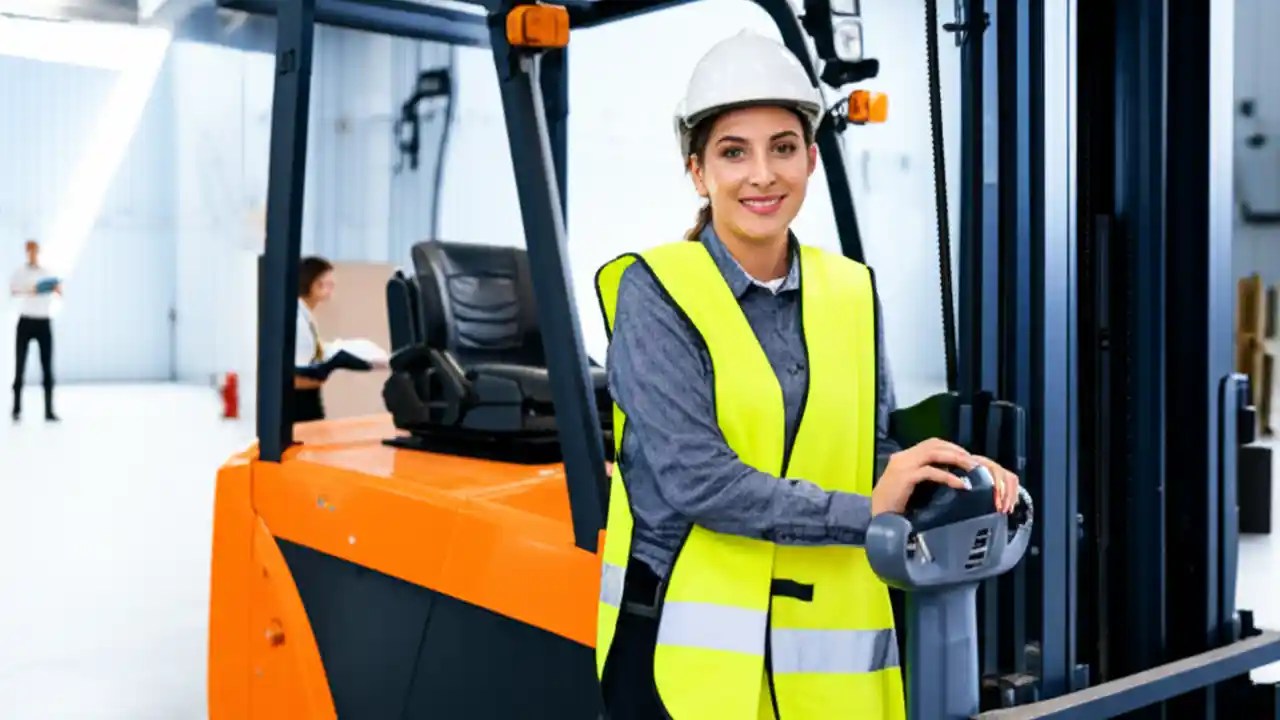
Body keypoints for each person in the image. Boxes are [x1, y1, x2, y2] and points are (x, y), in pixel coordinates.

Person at [592, 31, 1020, 720]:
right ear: (698, 172)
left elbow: (864, 447)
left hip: (814, 652)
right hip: (685, 655)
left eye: (783, 147)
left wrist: (949, 478)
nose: (762, 174)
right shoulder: (658, 291)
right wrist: (869, 513)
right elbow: (702, 481)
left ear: (812, 160)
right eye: (734, 152)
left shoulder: (850, 289)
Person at [9, 239, 60, 422]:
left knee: (47, 367)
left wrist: (55, 289)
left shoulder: (46, 272)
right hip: (26, 320)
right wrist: (29, 290)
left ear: (38, 251)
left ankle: (49, 410)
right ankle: (16, 409)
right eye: (29, 250)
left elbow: (56, 290)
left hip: (43, 321)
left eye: (35, 250)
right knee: (20, 365)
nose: (32, 253)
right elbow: (13, 291)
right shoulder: (20, 272)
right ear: (26, 251)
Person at [293, 255, 336, 423]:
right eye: (327, 283)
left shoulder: (307, 315)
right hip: (300, 404)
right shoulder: (298, 319)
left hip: (309, 399)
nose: (331, 288)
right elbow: (295, 377)